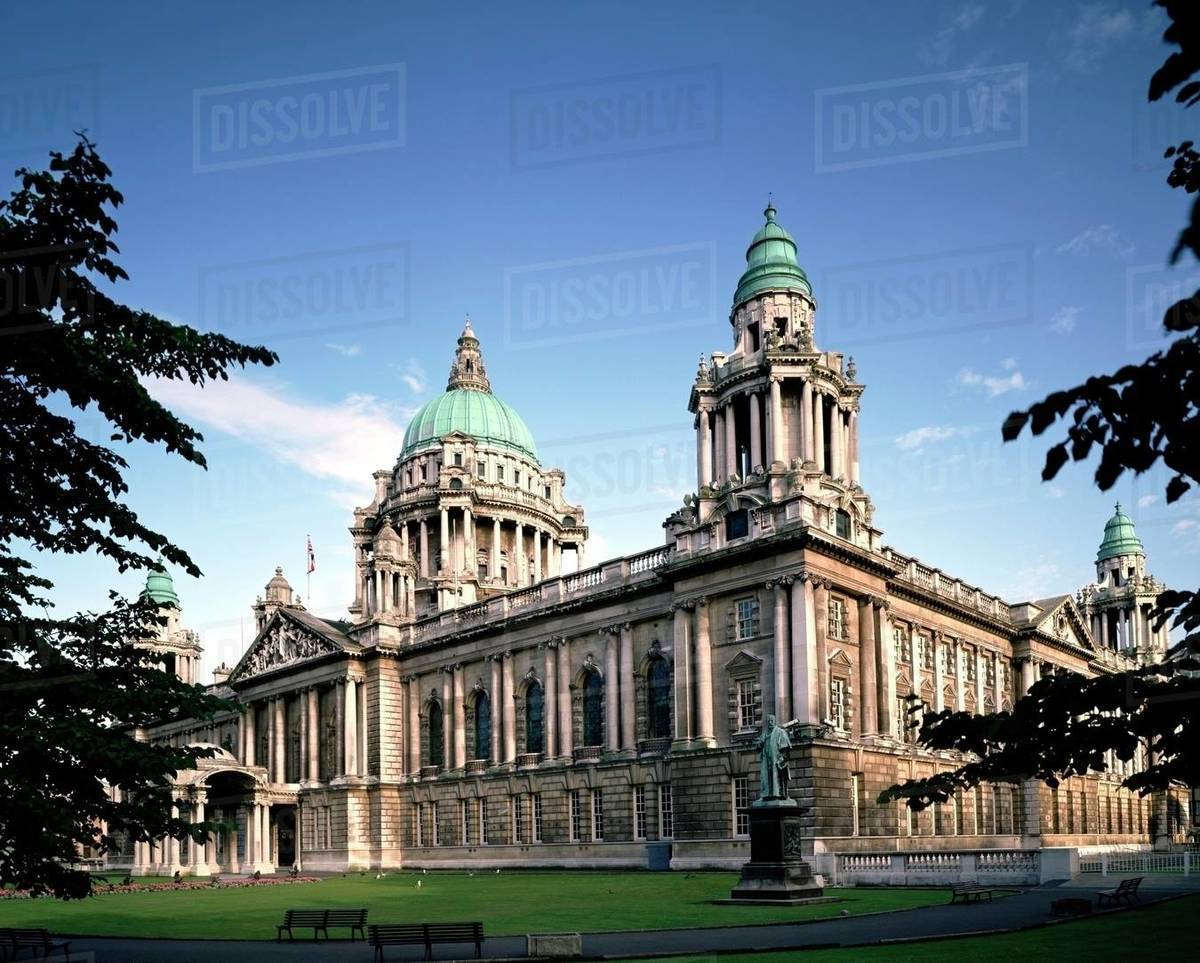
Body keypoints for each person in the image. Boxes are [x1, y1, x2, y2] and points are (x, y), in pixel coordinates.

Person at [758, 715, 792, 801]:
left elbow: (786, 748)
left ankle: (779, 795)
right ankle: (767, 795)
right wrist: (759, 744)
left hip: (777, 761)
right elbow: (758, 747)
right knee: (766, 778)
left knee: (777, 779)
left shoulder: (780, 732)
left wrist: (781, 760)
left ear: (775, 721)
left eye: (772, 721)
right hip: (766, 761)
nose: (770, 722)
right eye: (768, 721)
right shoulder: (765, 734)